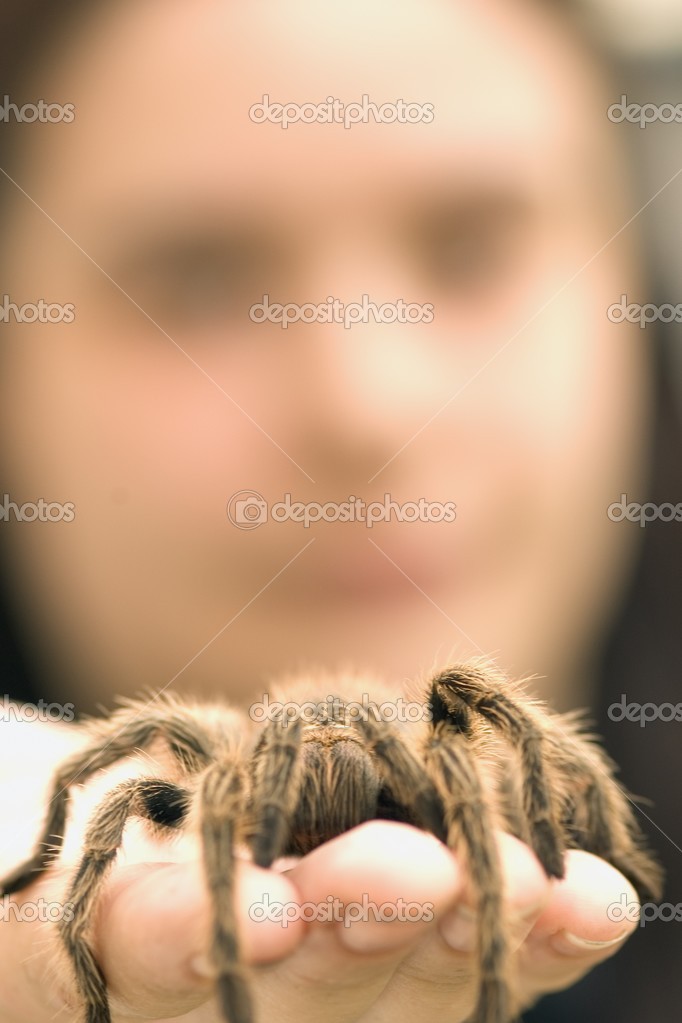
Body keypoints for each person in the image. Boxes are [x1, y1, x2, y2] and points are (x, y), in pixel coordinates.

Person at [0, 0, 679, 1020]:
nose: (366, 407)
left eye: (469, 248)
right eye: (199, 276)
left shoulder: (471, 741)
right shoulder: (196, 764)